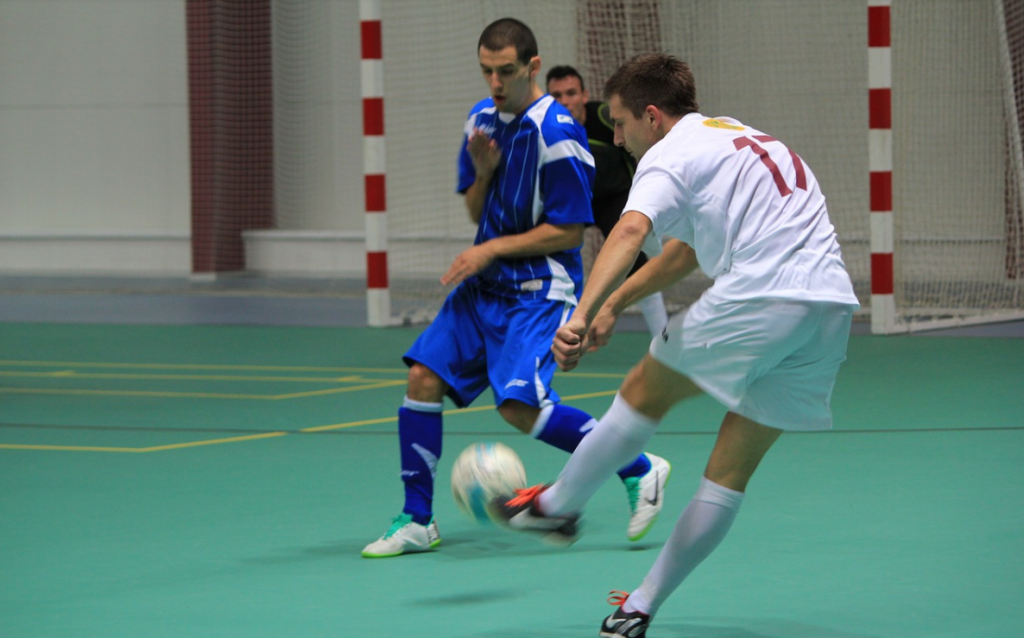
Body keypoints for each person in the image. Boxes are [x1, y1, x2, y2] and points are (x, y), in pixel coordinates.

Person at [492, 53, 860, 637]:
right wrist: (613, 305)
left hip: (763, 294)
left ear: (653, 116)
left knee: (643, 391)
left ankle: (557, 507)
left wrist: (580, 314)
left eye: (618, 123)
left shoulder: (666, 154)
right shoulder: (734, 138)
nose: (616, 137)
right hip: (829, 310)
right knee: (727, 474)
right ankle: (638, 607)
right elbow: (681, 256)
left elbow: (630, 229)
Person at [361, 19, 671, 559]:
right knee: (422, 378)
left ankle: (639, 465)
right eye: (486, 70)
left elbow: (569, 231)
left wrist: (487, 250)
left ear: (532, 67)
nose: (495, 82)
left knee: (519, 406)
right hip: (483, 290)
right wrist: (482, 175)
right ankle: (416, 520)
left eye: (505, 71)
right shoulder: (480, 121)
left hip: (538, 290)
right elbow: (477, 211)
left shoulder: (558, 133)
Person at [545, 65, 669, 338]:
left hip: (615, 196)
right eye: (557, 95)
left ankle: (663, 337)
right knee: (547, 258)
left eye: (571, 93)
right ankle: (553, 333)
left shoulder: (605, 116)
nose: (565, 101)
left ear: (584, 95)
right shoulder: (543, 128)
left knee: (636, 263)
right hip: (574, 202)